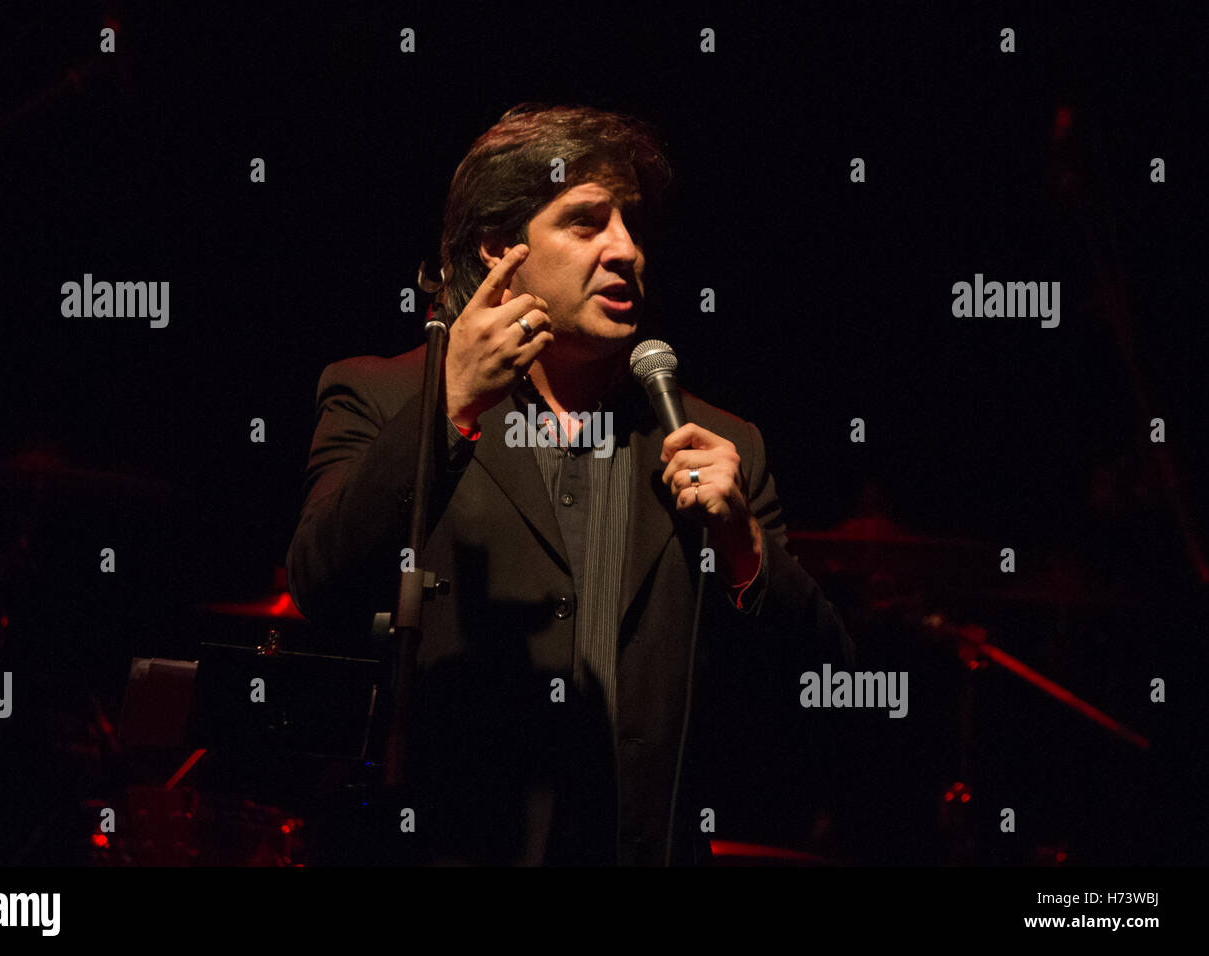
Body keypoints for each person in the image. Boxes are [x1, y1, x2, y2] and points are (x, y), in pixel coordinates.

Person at [287, 103, 854, 866]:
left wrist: (746, 552)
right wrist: (447, 407)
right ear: (498, 249)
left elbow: (822, 696)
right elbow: (320, 585)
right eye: (587, 222)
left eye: (632, 225)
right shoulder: (383, 396)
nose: (626, 250)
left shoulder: (720, 443)